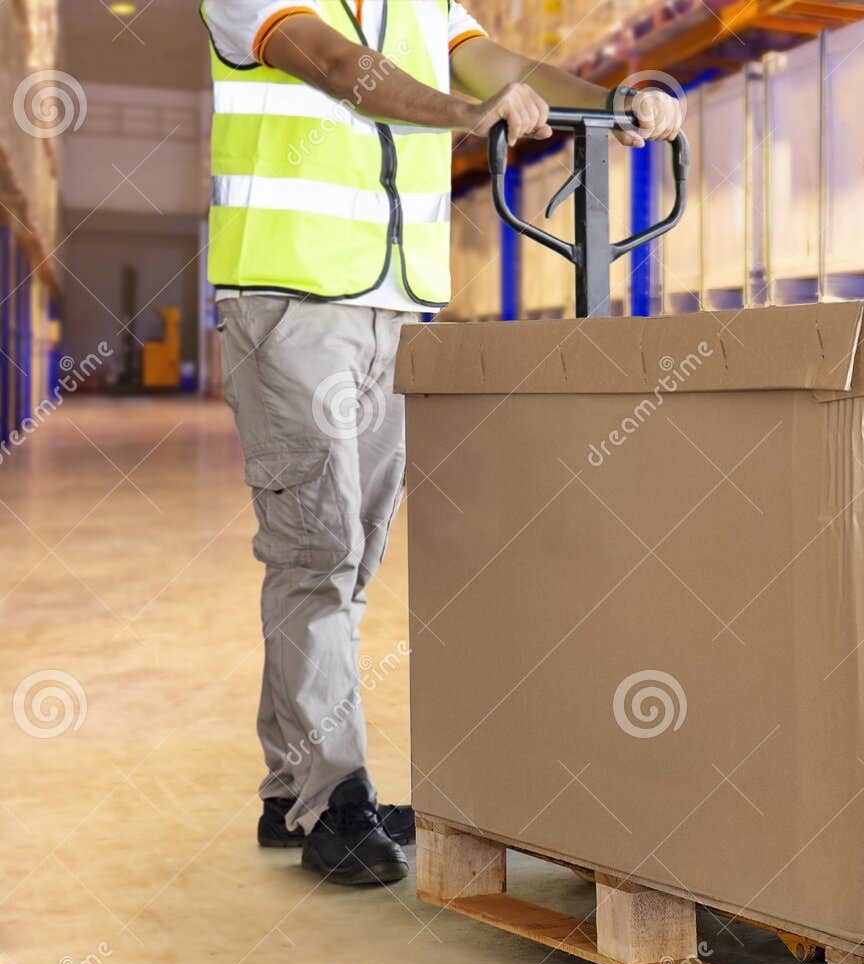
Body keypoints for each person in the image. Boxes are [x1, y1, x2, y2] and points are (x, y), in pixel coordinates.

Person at [200, 1, 684, 885]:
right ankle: (331, 795)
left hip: (393, 301)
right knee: (319, 547)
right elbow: (341, 69)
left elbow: (502, 67)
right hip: (290, 297)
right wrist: (470, 118)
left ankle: (290, 787)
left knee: (353, 552)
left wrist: (615, 102)